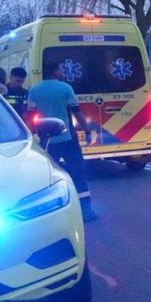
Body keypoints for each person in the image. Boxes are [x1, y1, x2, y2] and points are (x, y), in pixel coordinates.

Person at [28, 61, 98, 221]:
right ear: (54, 71)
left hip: (46, 141)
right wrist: (87, 130)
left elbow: (30, 116)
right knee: (78, 172)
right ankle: (86, 210)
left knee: (47, 175)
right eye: (60, 69)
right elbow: (77, 112)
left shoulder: (34, 91)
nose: (62, 72)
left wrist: (33, 136)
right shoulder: (66, 88)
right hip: (67, 138)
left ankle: (49, 213)